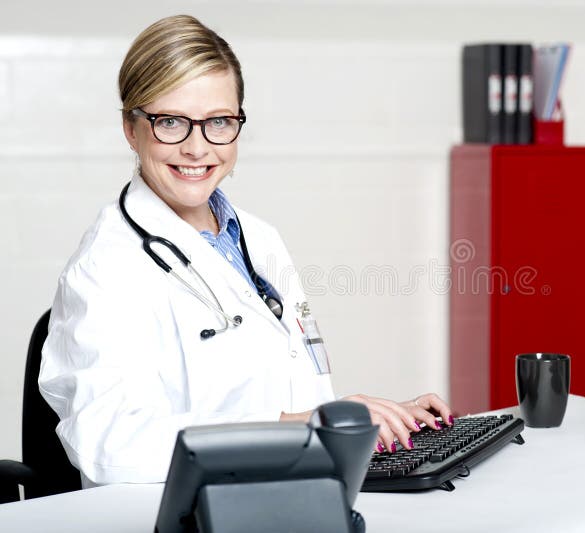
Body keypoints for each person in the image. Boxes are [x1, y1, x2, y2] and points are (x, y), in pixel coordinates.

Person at [38, 14, 452, 487]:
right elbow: (111, 447)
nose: (197, 148)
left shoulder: (257, 237)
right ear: (131, 129)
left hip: (291, 493)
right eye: (170, 122)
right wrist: (298, 428)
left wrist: (371, 426)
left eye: (218, 121)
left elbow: (303, 395)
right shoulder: (105, 269)